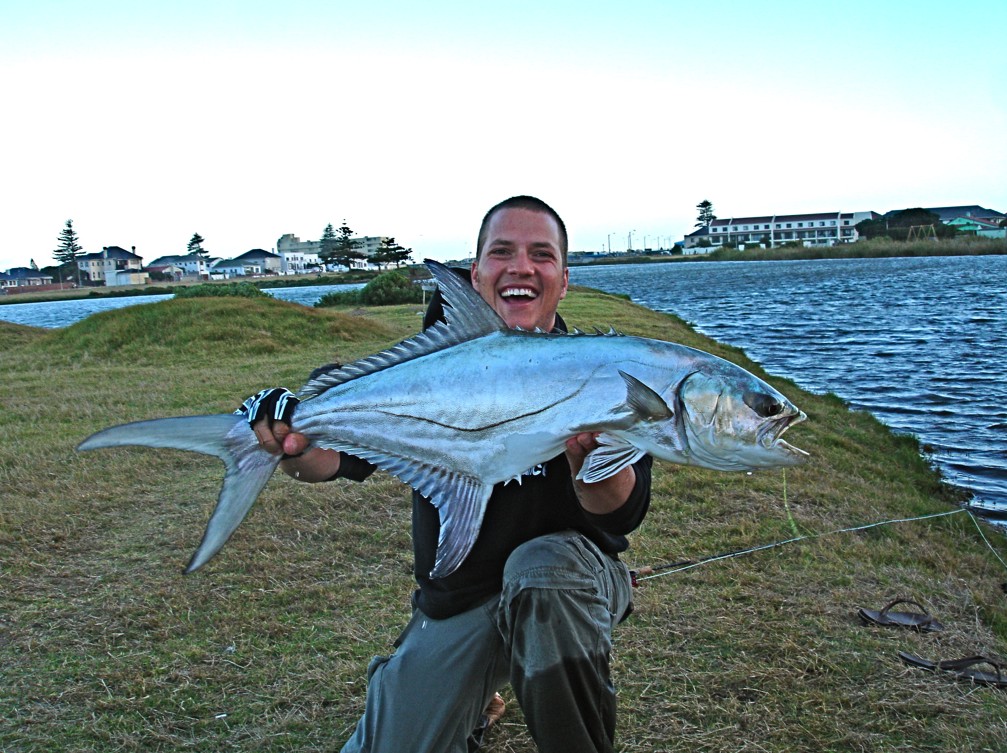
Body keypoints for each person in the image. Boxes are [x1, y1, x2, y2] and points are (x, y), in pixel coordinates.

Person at [243, 196, 653, 753]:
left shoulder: (604, 369)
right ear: (476, 272)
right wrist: (290, 443)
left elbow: (622, 512)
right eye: (501, 252)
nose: (522, 267)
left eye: (542, 254)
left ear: (564, 278)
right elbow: (329, 461)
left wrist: (590, 463)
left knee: (543, 571)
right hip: (461, 600)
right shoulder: (428, 374)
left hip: (570, 588)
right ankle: (463, 688)